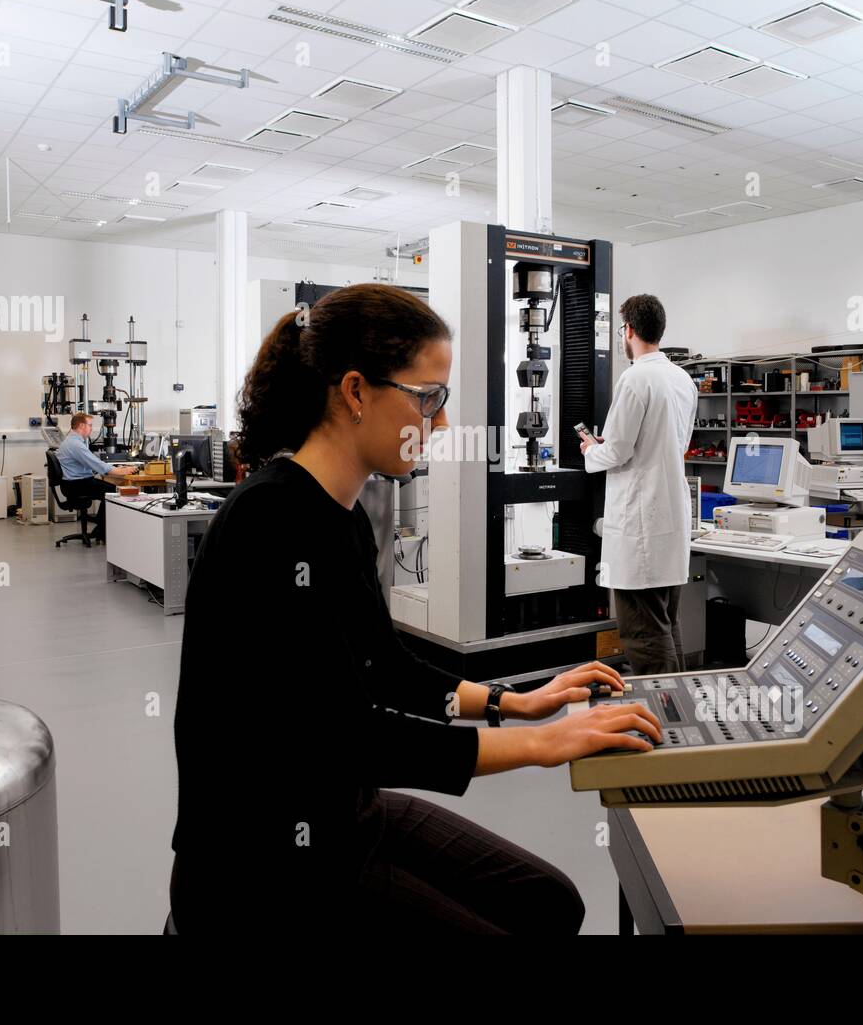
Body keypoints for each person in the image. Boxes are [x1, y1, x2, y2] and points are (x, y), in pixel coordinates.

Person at [169, 284, 662, 935]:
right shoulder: (271, 521)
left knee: (550, 902)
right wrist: (540, 744)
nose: (442, 423)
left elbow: (385, 669)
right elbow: (347, 736)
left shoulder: (341, 519)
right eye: (427, 398)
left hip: (343, 811)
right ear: (355, 392)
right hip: (260, 867)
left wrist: (514, 701)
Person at [577, 294, 697, 676]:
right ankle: (683, 713)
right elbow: (674, 443)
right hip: (670, 520)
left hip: (641, 524)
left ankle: (666, 720)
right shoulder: (682, 379)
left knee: (643, 634)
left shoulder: (635, 378)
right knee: (665, 625)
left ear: (628, 330)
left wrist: (589, 451)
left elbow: (618, 450)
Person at [54, 412, 132, 540]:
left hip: (73, 484)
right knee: (114, 493)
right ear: (81, 426)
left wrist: (114, 468)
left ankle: (100, 529)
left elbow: (92, 460)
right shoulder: (75, 445)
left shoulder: (72, 441)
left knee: (110, 490)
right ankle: (102, 531)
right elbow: (97, 465)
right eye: (90, 425)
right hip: (78, 485)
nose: (92, 428)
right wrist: (121, 471)